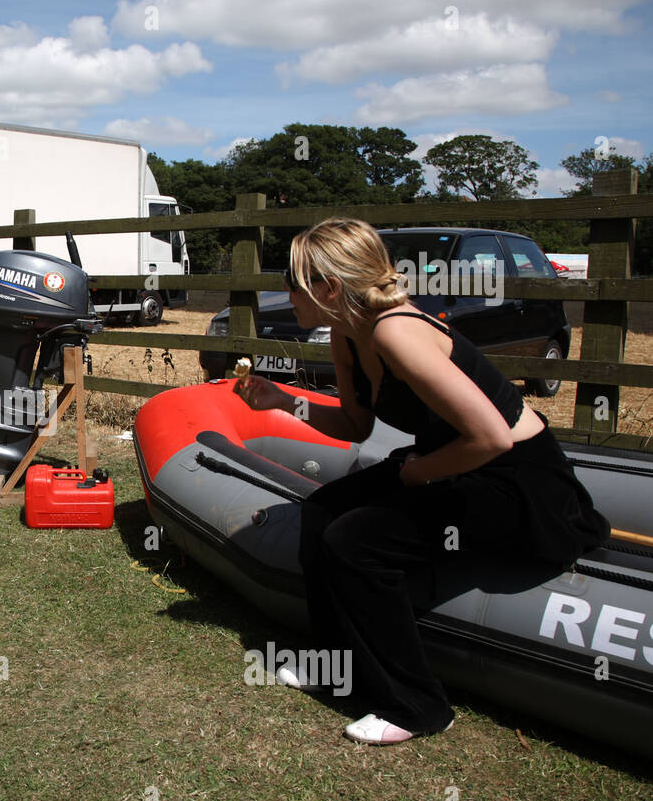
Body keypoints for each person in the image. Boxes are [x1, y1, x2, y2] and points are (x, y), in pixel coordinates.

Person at [235, 217, 609, 745]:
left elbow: (494, 438)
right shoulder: (347, 331)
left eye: (293, 283)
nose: (286, 294)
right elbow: (355, 425)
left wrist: (417, 474)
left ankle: (418, 707)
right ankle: (333, 661)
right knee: (322, 512)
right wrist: (283, 401)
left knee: (356, 542)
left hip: (517, 481)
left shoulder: (397, 331)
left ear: (330, 288)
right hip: (454, 460)